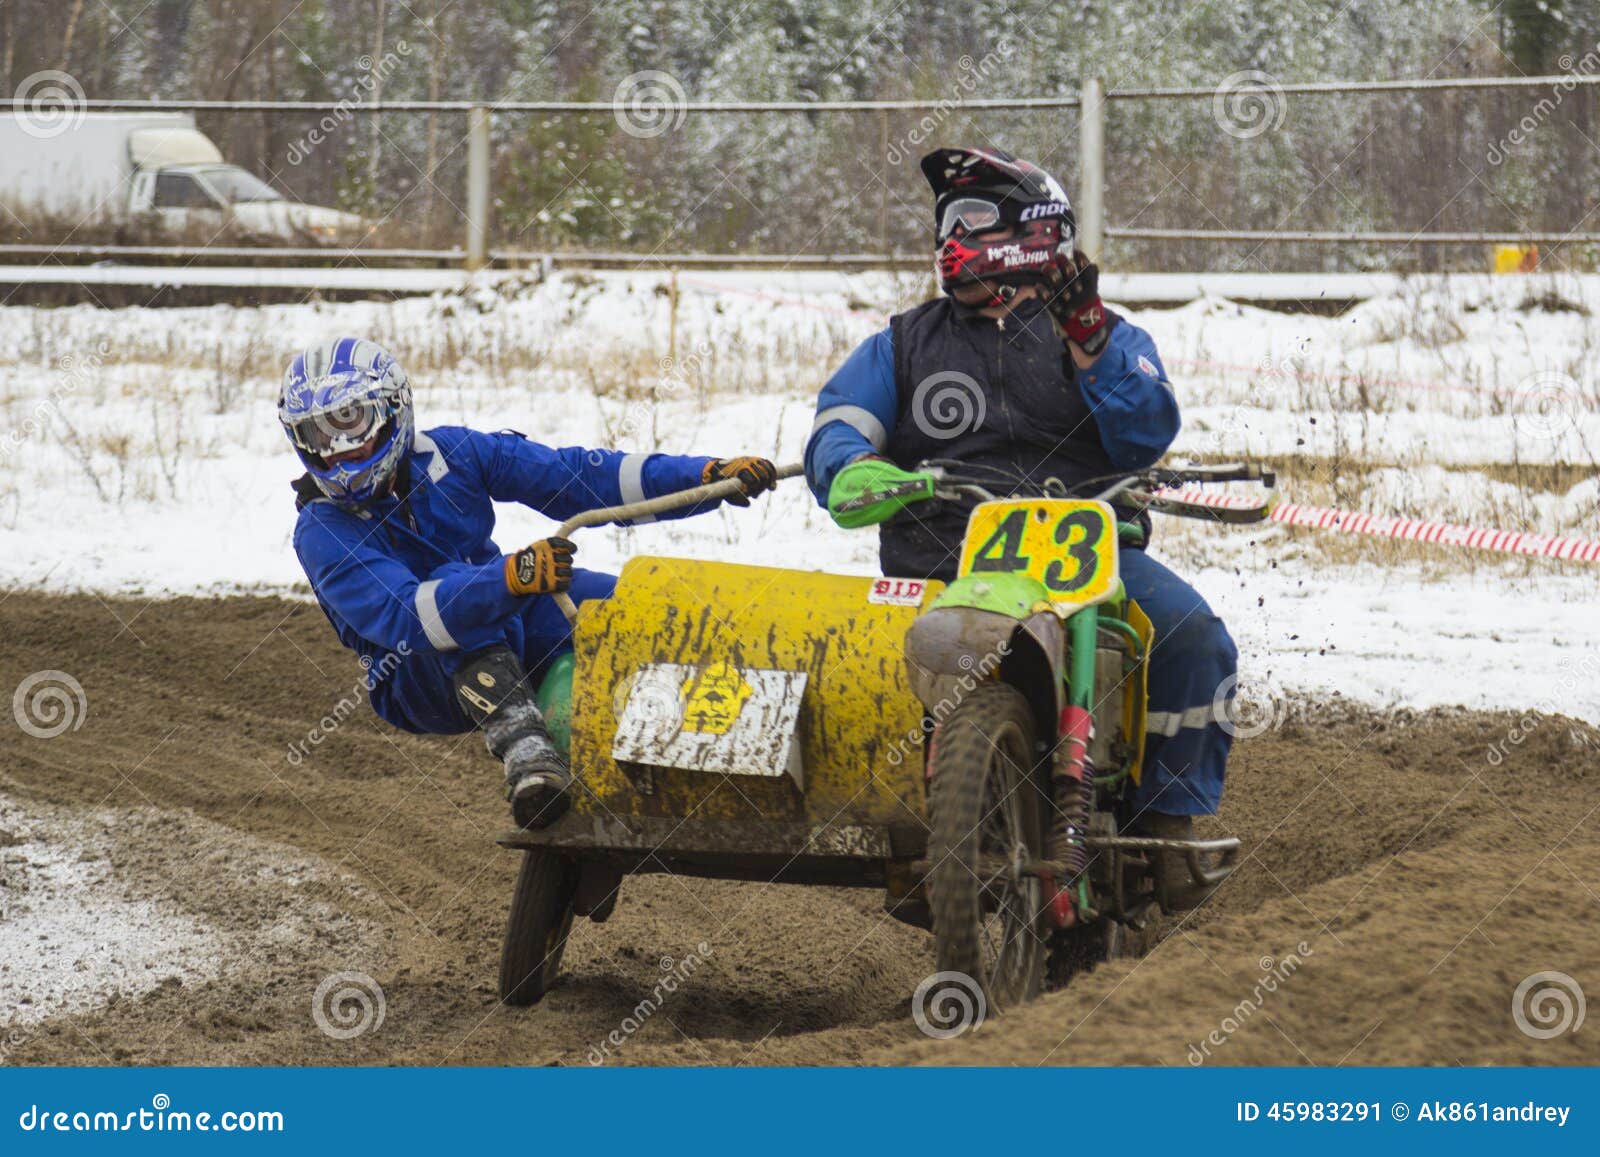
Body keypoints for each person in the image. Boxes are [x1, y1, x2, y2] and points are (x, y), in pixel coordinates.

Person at [803, 146, 1237, 870]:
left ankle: (1164, 824)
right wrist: (852, 465)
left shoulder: (1101, 335)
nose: (950, 238)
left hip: (1084, 559)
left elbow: (1147, 432)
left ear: (1031, 230)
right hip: (941, 556)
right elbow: (838, 423)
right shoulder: (904, 345)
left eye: (970, 218)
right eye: (944, 222)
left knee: (1194, 636)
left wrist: (1091, 344)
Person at [279, 336, 777, 829]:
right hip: (414, 675)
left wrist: (707, 477)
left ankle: (745, 724)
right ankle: (530, 756)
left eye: (350, 422)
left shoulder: (455, 453)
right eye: (317, 435)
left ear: (393, 408)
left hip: (503, 614)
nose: (338, 450)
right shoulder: (323, 529)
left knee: (630, 603)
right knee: (460, 586)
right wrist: (510, 578)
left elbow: (575, 476)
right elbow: (407, 615)